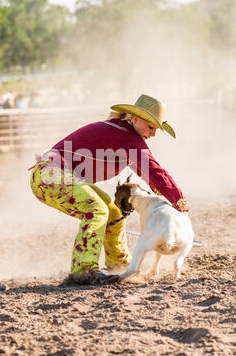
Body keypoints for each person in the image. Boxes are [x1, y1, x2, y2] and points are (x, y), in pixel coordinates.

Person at [29, 94, 189, 284]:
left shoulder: (123, 134)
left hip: (52, 174)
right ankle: (83, 269)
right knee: (96, 209)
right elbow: (154, 170)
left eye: (156, 129)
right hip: (51, 174)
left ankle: (120, 265)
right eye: (151, 126)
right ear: (134, 119)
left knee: (113, 213)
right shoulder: (127, 137)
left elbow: (147, 172)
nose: (153, 133)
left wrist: (163, 192)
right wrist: (179, 201)